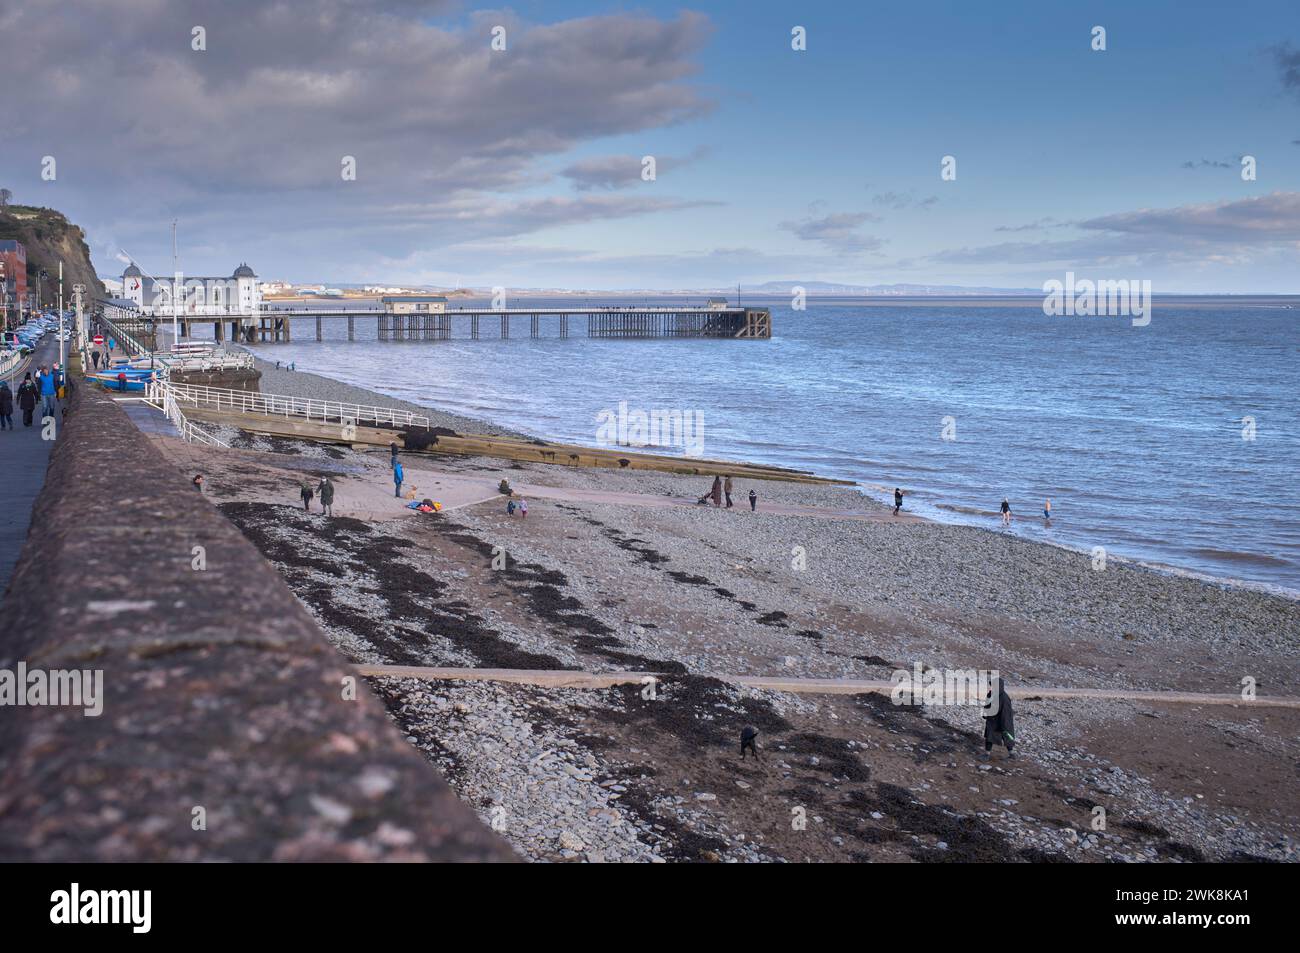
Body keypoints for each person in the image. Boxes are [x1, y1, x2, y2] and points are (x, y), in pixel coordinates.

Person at [982, 677, 1016, 759]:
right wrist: (985, 713)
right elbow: (987, 706)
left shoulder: (1004, 698)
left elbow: (1006, 714)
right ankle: (987, 754)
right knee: (989, 736)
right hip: (993, 720)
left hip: (1001, 721)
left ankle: (1011, 754)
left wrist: (1005, 726)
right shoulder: (992, 695)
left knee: (1006, 736)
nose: (991, 687)